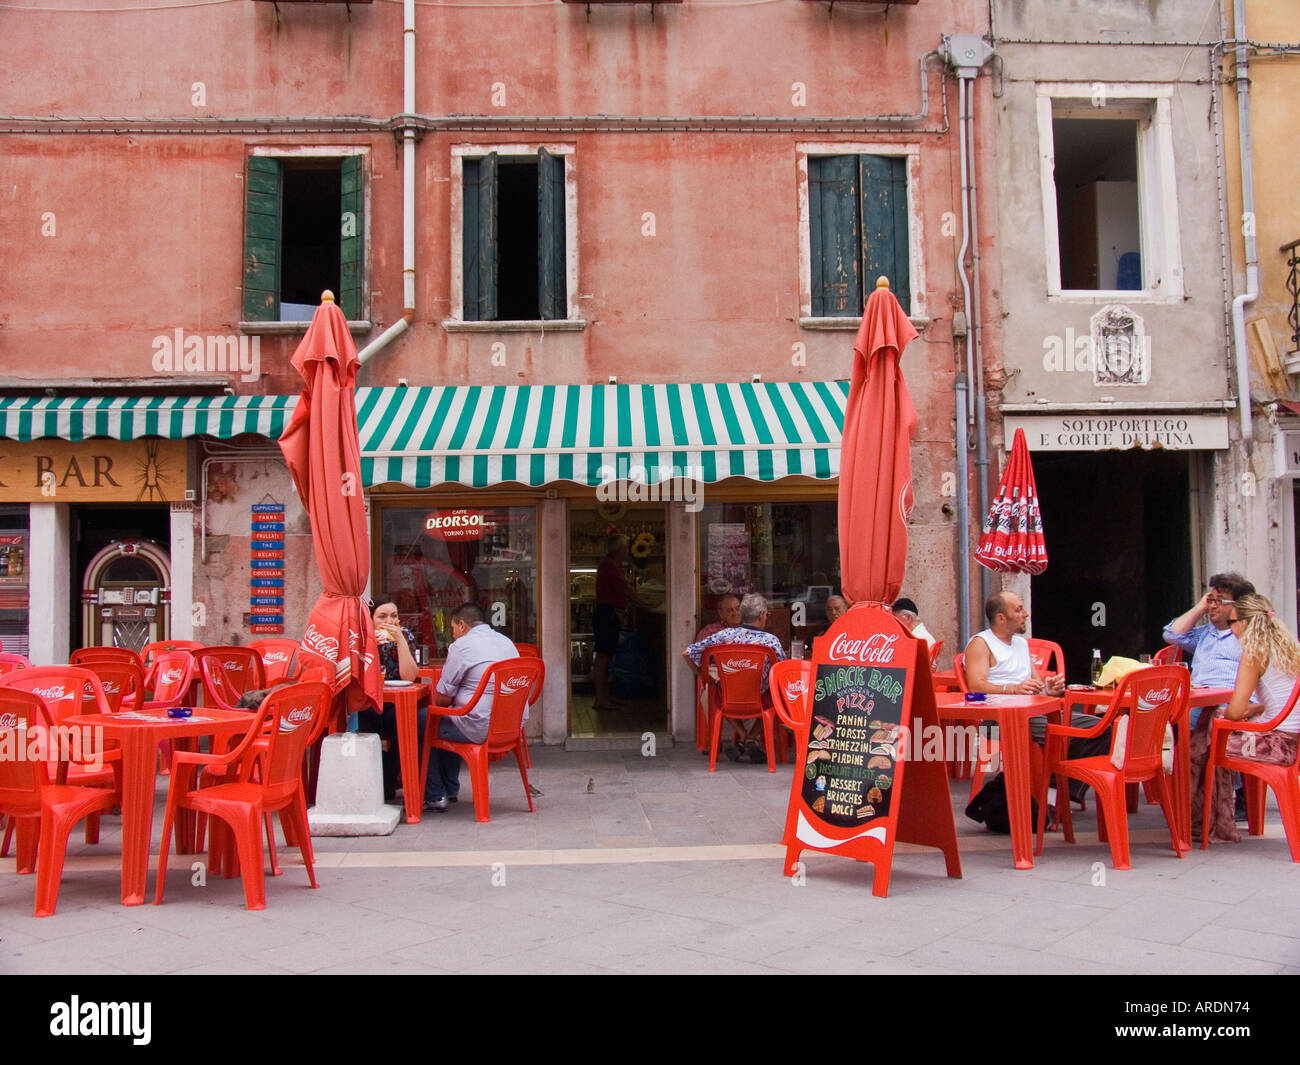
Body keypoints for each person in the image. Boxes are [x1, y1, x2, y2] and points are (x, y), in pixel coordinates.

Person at [964, 591, 1109, 802]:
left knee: (1102, 728)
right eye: (1018, 609)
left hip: (1034, 713)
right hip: (1000, 718)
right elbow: (974, 686)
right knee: (1070, 735)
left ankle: (1063, 789)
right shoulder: (981, 643)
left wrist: (1048, 689)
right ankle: (1053, 790)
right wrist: (1012, 689)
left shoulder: (1022, 644)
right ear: (1001, 618)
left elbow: (1037, 685)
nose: (1026, 614)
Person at [1190, 593, 1300, 844]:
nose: (1231, 629)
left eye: (1233, 623)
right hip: (1292, 739)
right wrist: (1252, 711)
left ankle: (1210, 823)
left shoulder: (1253, 654)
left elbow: (1235, 712)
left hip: (1276, 744)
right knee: (1213, 729)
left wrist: (1235, 714)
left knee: (1207, 738)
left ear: (1246, 624)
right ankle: (1214, 822)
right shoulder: (1287, 648)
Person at [682, 593, 786, 764]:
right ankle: (750, 738)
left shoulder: (725, 636)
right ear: (761, 615)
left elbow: (688, 653)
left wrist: (704, 678)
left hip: (729, 700)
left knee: (717, 695)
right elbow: (781, 672)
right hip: (760, 701)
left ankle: (745, 739)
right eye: (766, 613)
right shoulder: (771, 641)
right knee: (777, 697)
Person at [1163, 572, 1256, 730]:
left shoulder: (1249, 636)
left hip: (1230, 703)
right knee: (1157, 716)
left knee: (1170, 724)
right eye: (1211, 600)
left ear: (1239, 605)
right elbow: (1172, 634)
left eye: (1219, 601)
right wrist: (1201, 606)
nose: (1212, 606)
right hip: (1198, 700)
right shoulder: (1205, 634)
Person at [360, 598, 419, 801]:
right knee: (367, 722)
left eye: (394, 616)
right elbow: (359, 677)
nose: (389, 621)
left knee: (401, 725)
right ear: (371, 620)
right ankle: (374, 784)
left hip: (396, 702)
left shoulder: (406, 636)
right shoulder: (362, 639)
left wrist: (401, 641)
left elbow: (410, 677)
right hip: (370, 701)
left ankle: (392, 778)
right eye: (382, 616)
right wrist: (370, 648)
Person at [593, 533, 655, 711]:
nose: (628, 551)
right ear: (619, 549)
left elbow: (624, 588)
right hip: (607, 613)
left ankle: (605, 695)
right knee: (604, 656)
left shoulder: (613, 564)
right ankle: (600, 697)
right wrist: (644, 603)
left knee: (608, 655)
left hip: (609, 613)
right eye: (626, 547)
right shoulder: (609, 565)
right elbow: (625, 589)